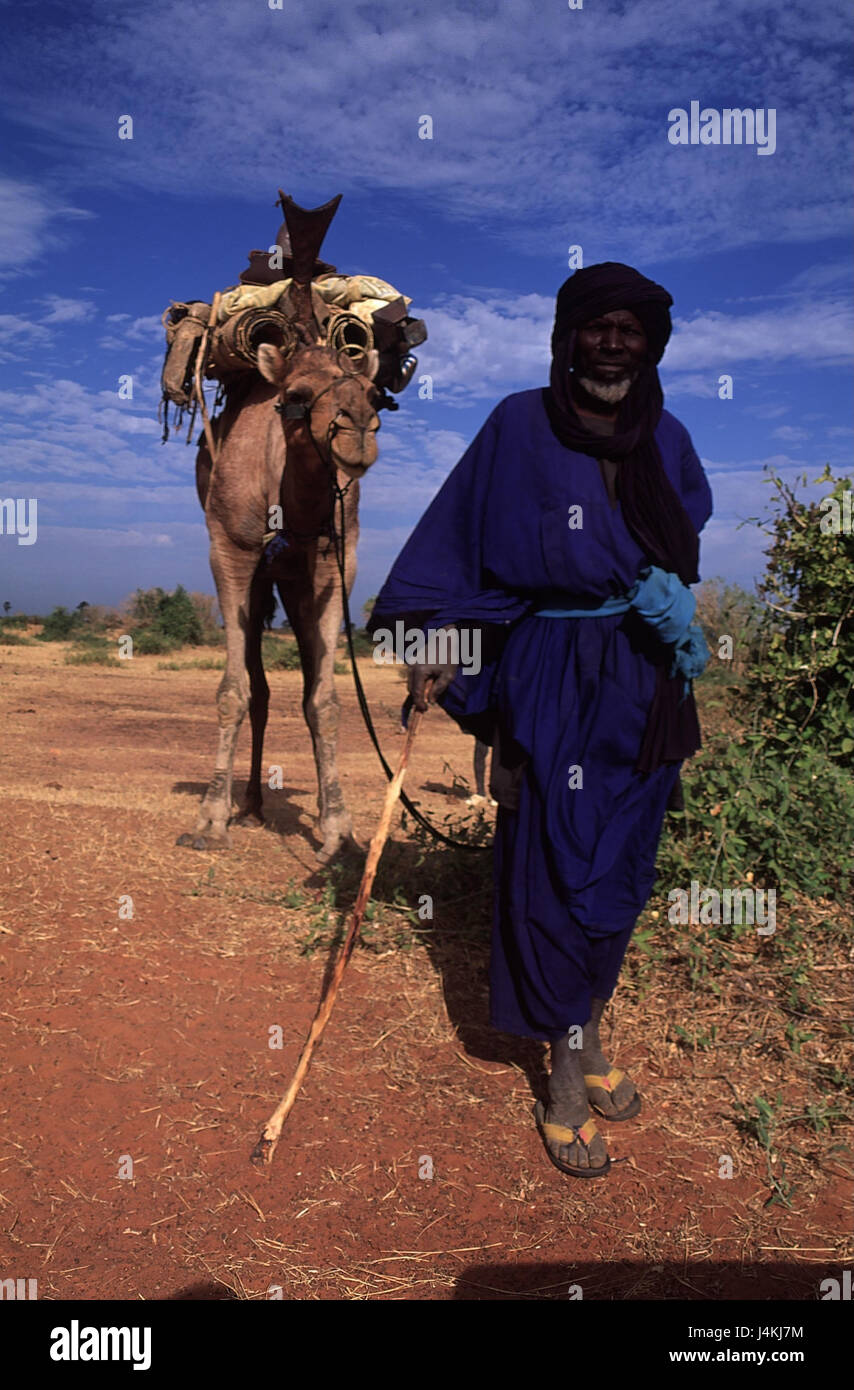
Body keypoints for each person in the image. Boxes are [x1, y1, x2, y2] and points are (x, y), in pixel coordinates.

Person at [368, 262, 713, 1178]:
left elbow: (685, 542)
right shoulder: (518, 426)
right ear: (567, 340)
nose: (612, 343)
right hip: (549, 679)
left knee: (620, 872)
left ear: (651, 346)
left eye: (630, 331)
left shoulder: (666, 438)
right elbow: (458, 540)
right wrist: (442, 643)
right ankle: (563, 1076)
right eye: (596, 327)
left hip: (644, 692)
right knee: (553, 874)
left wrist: (673, 605)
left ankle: (589, 1032)